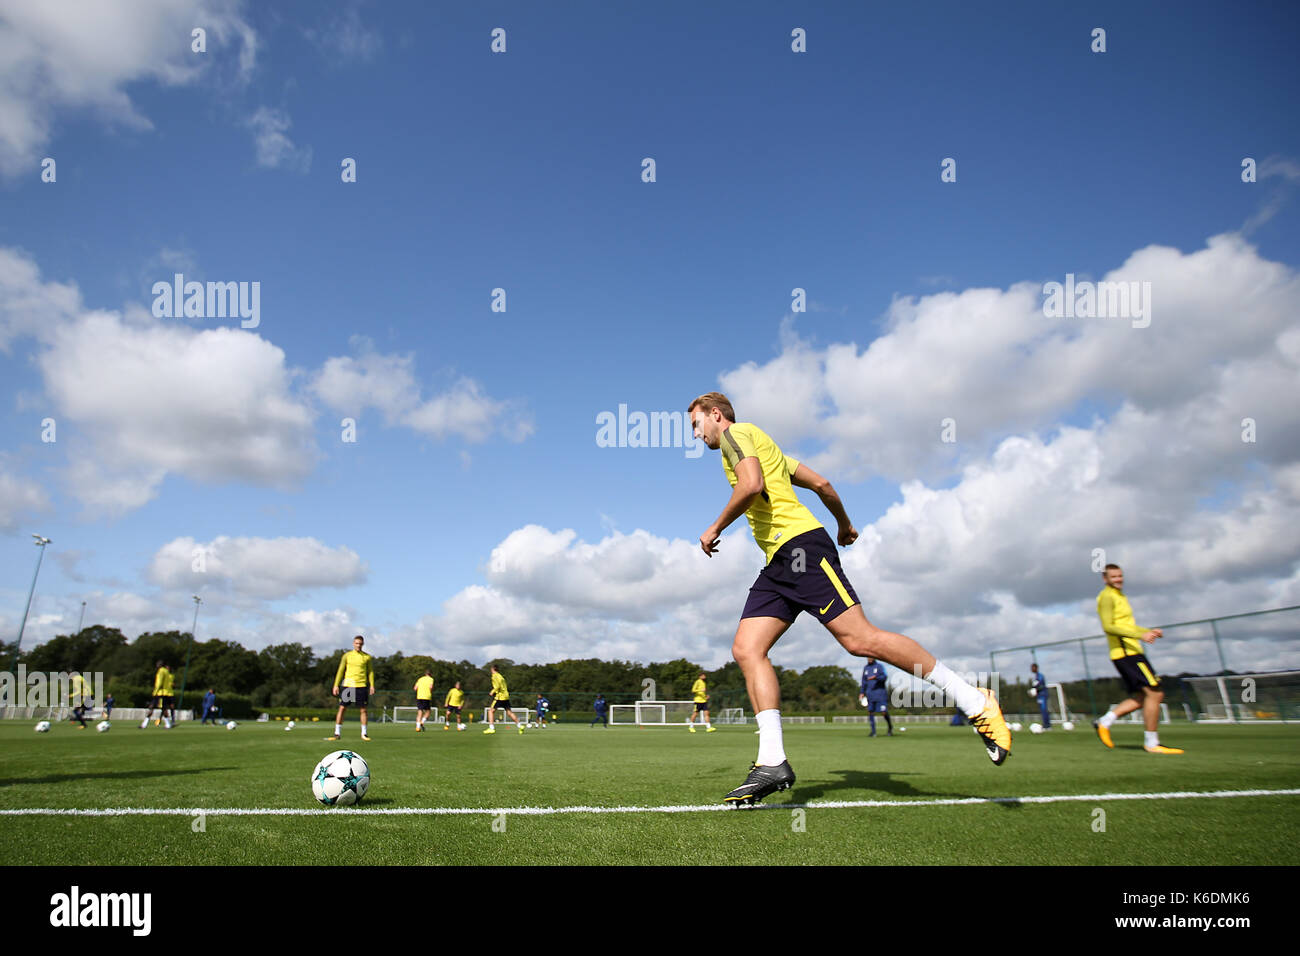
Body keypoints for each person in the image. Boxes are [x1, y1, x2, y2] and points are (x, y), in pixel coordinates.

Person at [688, 392, 1011, 805]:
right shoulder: (766, 447)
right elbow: (822, 484)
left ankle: (974, 700)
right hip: (779, 562)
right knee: (747, 648)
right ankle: (771, 761)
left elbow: (753, 485)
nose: (697, 436)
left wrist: (715, 526)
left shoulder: (737, 437)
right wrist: (845, 525)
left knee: (860, 640)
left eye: (697, 425)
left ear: (716, 415)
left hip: (799, 550)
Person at [1093, 564, 1182, 754]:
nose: (1118, 579)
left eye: (1120, 576)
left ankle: (1105, 721)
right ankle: (1151, 743)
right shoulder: (1107, 597)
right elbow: (1108, 626)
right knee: (1155, 693)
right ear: (1105, 579)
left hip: (1133, 650)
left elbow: (1126, 625)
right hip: (1126, 653)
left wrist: (1147, 632)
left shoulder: (1120, 596)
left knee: (1143, 697)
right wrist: (1139, 635)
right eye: (1114, 576)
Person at [328, 635, 374, 741]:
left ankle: (364, 733)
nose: (358, 645)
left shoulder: (367, 657)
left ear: (363, 644)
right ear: (353, 643)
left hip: (361, 686)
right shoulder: (347, 656)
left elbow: (370, 672)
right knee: (342, 708)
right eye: (357, 643)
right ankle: (337, 733)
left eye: (360, 643)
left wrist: (372, 685)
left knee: (363, 710)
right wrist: (336, 685)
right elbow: (340, 670)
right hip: (348, 685)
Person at [483, 663, 524, 734]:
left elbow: (497, 686)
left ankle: (491, 728)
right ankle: (520, 726)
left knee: (490, 711)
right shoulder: (501, 676)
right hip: (506, 696)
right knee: (509, 713)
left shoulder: (494, 676)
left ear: (492, 669)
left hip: (500, 697)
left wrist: (492, 691)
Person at [860, 657, 893, 737]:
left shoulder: (879, 666)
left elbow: (885, 677)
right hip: (870, 695)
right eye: (868, 657)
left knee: (883, 712)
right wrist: (862, 692)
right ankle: (873, 732)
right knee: (870, 712)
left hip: (880, 694)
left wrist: (876, 677)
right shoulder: (866, 668)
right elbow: (864, 681)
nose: (869, 658)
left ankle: (890, 727)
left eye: (871, 657)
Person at [140, 660, 175, 729]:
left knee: (160, 708)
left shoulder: (161, 671)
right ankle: (144, 724)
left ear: (159, 665)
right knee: (155, 707)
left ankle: (167, 724)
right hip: (165, 693)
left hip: (160, 693)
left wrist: (155, 691)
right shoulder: (166, 671)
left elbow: (159, 683)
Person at [1029, 663, 1051, 729]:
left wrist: (1035, 690)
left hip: (1043, 695)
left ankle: (1047, 725)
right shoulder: (1036, 676)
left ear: (1036, 668)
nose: (1031, 669)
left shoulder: (1040, 676)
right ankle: (1045, 724)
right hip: (1039, 695)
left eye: (1033, 667)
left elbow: (1041, 686)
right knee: (1042, 710)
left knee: (1044, 709)